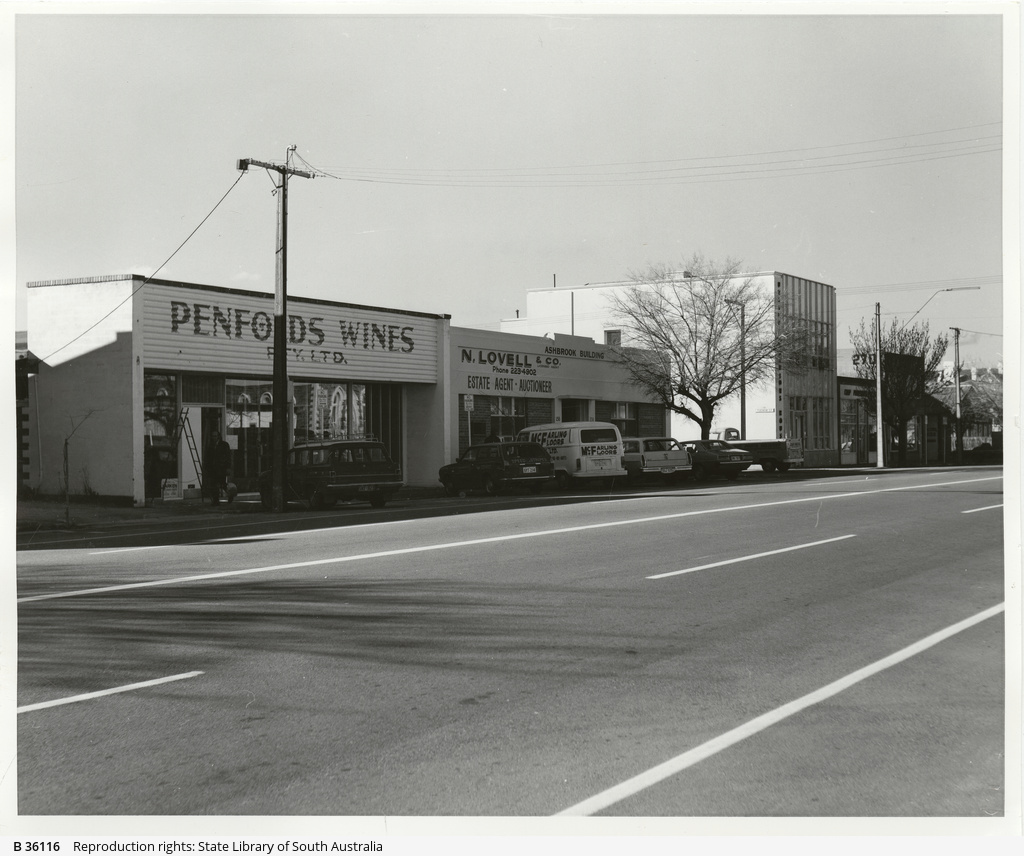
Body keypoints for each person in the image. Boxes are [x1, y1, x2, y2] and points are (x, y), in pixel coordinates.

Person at [204, 430, 231, 505]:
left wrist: (228, 467)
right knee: (214, 484)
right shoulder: (211, 446)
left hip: (221, 468)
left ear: (218, 436)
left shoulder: (224, 445)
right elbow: (208, 457)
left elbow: (228, 456)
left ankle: (230, 494)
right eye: (213, 436)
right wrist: (207, 467)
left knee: (222, 483)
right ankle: (216, 500)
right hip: (213, 468)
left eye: (215, 436)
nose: (214, 438)